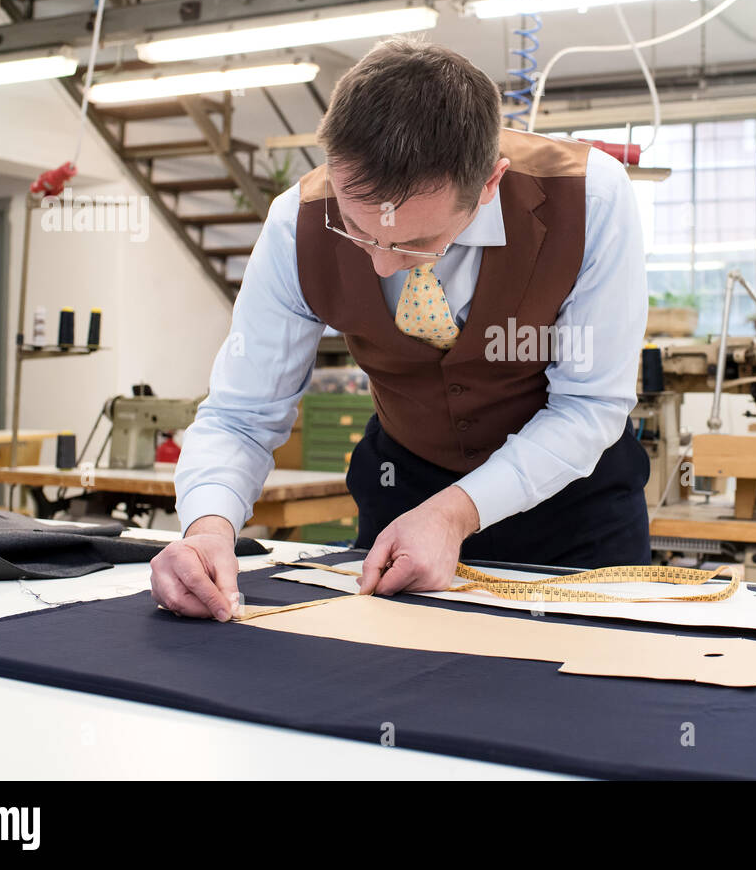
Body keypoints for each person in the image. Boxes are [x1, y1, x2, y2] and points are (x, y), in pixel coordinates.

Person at [151, 39, 648, 621]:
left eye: (415, 243)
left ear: (489, 183)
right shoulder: (296, 223)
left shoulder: (592, 197)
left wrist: (454, 513)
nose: (382, 265)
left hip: (574, 510)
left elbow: (588, 406)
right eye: (359, 232)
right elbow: (241, 413)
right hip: (402, 487)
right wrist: (209, 527)